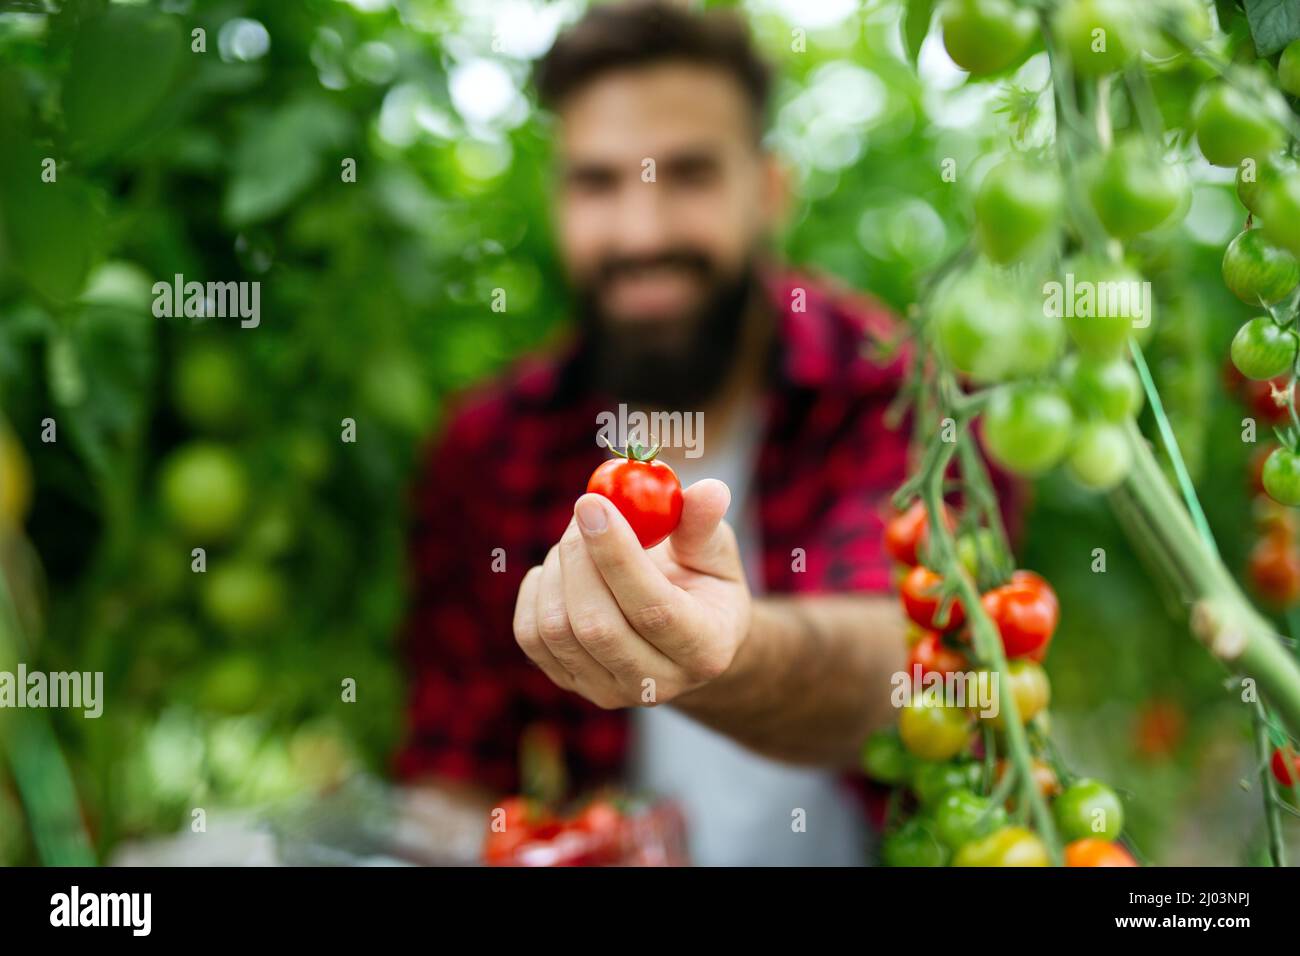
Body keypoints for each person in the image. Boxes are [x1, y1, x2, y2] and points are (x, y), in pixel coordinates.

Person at [396, 0, 913, 865]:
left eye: (689, 175)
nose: (641, 233)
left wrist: (724, 652)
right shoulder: (488, 448)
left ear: (770, 190)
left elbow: (899, 661)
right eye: (598, 182)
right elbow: (455, 770)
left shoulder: (889, 387)